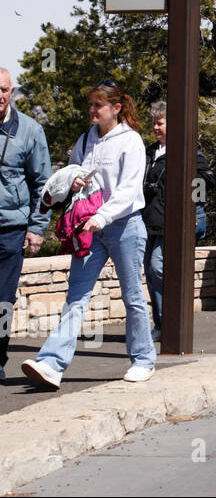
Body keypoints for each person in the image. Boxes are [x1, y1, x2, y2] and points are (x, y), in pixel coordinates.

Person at [22, 80, 156, 388]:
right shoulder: (86, 140)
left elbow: (129, 189)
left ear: (116, 108)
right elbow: (72, 174)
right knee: (76, 296)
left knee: (133, 295)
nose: (92, 110)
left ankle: (143, 359)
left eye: (98, 105)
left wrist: (104, 216)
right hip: (88, 227)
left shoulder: (131, 141)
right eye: (91, 104)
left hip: (124, 226)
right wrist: (73, 183)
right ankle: (52, 364)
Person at [142, 100, 214, 337]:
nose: (155, 127)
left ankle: (171, 321)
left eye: (160, 123)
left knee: (157, 267)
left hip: (174, 223)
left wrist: (191, 205)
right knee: (151, 274)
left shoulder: (188, 151)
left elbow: (205, 181)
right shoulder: (150, 152)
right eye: (153, 123)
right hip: (149, 222)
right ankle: (161, 324)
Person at [0, 68, 51, 382]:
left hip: (12, 230)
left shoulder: (30, 130)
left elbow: (43, 185)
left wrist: (37, 228)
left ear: (12, 91)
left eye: (4, 89)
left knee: (3, 301)